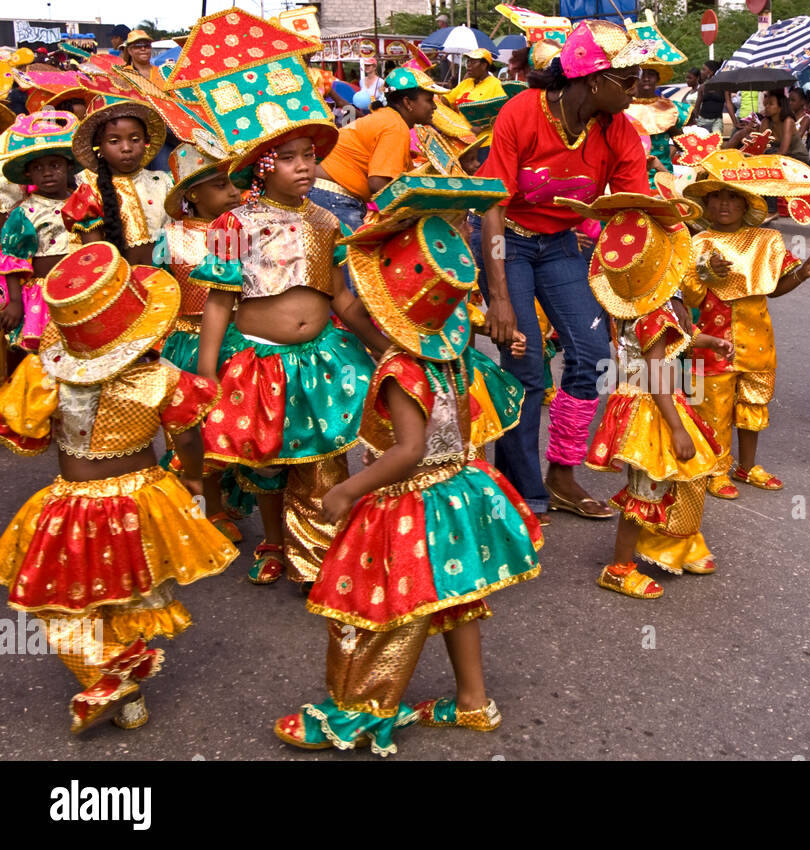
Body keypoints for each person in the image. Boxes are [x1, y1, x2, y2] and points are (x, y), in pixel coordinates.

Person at [274, 214, 542, 756]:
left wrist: (349, 490)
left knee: (381, 609)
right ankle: (473, 701)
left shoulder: (400, 370)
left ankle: (360, 712)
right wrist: (342, 256)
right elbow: (352, 311)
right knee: (458, 598)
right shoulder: (449, 353)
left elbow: (408, 450)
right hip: (458, 488)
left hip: (410, 500)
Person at [180, 25, 390, 587]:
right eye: (289, 157)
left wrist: (381, 345)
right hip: (261, 361)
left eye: (310, 156)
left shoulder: (326, 219)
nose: (305, 167)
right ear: (261, 167)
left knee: (323, 459)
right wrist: (207, 372)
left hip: (322, 358)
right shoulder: (233, 224)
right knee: (267, 463)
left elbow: (341, 297)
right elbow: (219, 301)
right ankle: (273, 542)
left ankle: (320, 556)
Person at [0, 242, 237, 733]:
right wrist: (193, 476)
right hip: (144, 500)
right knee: (129, 595)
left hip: (74, 504)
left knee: (62, 601)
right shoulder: (163, 379)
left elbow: (29, 439)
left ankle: (109, 679)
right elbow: (187, 438)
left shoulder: (46, 376)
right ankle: (122, 689)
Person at [471, 20, 658, 521]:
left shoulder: (617, 129)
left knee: (593, 354)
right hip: (506, 239)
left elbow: (635, 210)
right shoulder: (522, 112)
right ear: (593, 80)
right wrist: (500, 299)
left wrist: (656, 283)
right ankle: (521, 489)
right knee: (526, 363)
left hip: (559, 245)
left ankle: (561, 475)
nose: (638, 87)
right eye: (628, 78)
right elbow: (492, 207)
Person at [578, 194, 730, 598]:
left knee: (672, 478)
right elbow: (655, 369)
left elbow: (672, 343)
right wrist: (676, 427)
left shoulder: (642, 305)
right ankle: (619, 568)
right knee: (644, 490)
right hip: (652, 406)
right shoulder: (655, 314)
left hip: (648, 400)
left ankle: (674, 544)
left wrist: (711, 341)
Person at [679, 148, 810, 499]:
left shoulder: (766, 240)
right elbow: (690, 300)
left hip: (758, 341)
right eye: (717, 196)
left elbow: (773, 289)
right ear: (706, 203)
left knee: (752, 405)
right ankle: (715, 469)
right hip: (713, 342)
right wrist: (705, 272)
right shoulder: (697, 243)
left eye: (733, 197)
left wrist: (803, 273)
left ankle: (747, 466)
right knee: (714, 409)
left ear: (746, 203)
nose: (724, 204)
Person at [152, 143, 248, 540]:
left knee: (231, 425)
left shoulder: (235, 231)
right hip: (186, 344)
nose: (233, 192)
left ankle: (226, 496)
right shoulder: (170, 236)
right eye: (221, 185)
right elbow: (159, 291)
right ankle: (207, 508)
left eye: (234, 184)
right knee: (194, 428)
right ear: (192, 194)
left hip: (235, 342)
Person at [312, 67, 440, 235]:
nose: (434, 106)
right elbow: (378, 183)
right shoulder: (395, 126)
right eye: (429, 100)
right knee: (356, 251)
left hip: (324, 193)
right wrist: (410, 213)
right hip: (333, 197)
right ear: (408, 103)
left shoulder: (387, 118)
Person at [0, 111, 79, 360]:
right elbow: (12, 260)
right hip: (43, 295)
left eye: (55, 165)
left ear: (68, 166)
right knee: (44, 355)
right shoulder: (23, 213)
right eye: (38, 168)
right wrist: (15, 302)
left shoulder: (83, 202)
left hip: (79, 289)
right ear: (28, 175)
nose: (47, 173)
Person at [61, 95, 171, 268]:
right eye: (114, 141)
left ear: (146, 141)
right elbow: (95, 258)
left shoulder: (164, 182)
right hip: (119, 279)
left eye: (135, 139)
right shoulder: (90, 192)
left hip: (165, 279)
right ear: (100, 147)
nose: (126, 148)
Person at [629, 64, 691, 179]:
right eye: (642, 74)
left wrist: (671, 126)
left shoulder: (670, 109)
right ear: (635, 78)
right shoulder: (623, 107)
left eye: (651, 74)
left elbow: (682, 145)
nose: (646, 78)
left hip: (662, 175)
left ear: (658, 78)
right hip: (632, 174)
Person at [727, 88, 810, 165]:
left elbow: (783, 152)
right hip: (779, 156)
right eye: (766, 104)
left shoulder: (788, 121)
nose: (767, 107)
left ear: (780, 107)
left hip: (797, 158)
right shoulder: (766, 121)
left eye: (771, 104)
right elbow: (760, 146)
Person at [689, 60, 728, 134]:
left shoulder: (723, 86)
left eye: (704, 69)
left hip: (717, 120)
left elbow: (729, 103)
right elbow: (697, 107)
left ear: (711, 72)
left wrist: (735, 122)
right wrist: (694, 121)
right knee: (703, 140)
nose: (701, 72)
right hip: (702, 121)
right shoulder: (702, 87)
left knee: (716, 139)